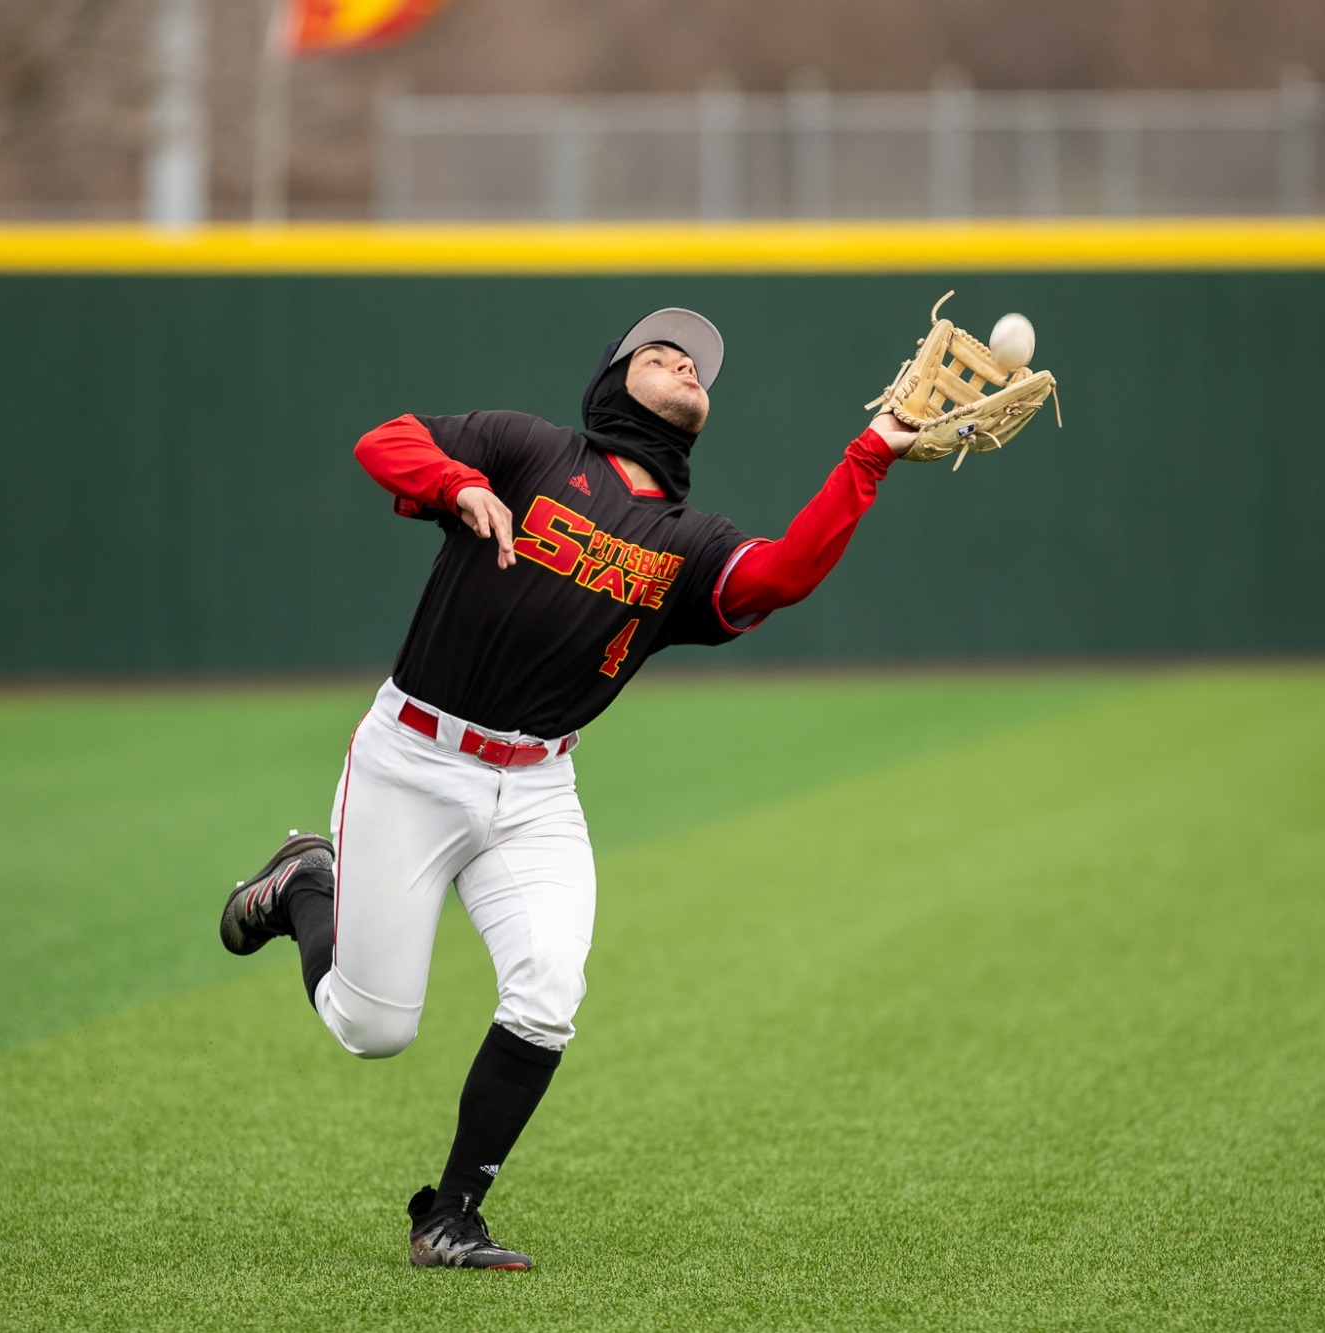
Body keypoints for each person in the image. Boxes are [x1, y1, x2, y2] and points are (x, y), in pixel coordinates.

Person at [218, 308, 919, 1269]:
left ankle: (450, 1214)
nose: (683, 362)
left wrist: (869, 456)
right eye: (659, 352)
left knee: (548, 992)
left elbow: (784, 573)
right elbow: (384, 440)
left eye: (698, 364)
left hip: (537, 788)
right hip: (414, 761)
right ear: (612, 380)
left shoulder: (688, 541)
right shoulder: (529, 448)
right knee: (370, 1027)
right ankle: (306, 882)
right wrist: (461, 485)